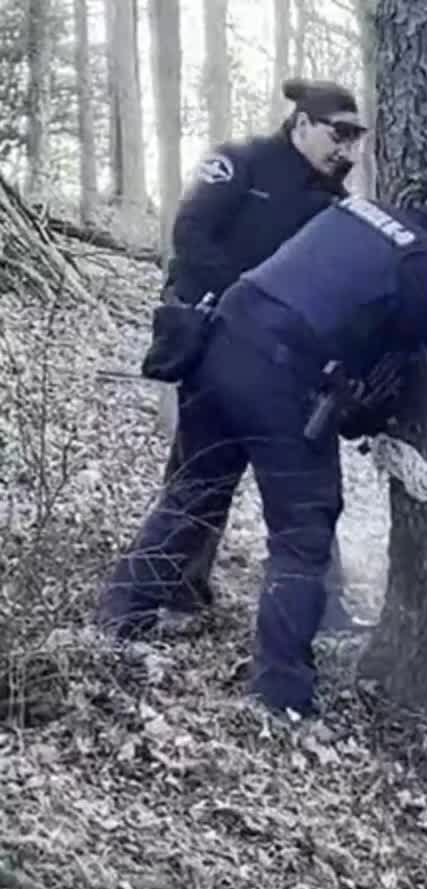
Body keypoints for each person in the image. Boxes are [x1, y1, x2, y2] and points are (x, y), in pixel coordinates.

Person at [97, 171, 427, 717]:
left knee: (190, 497)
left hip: (215, 346)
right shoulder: (422, 266)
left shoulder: (355, 213)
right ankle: (281, 697)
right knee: (301, 534)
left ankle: (112, 631)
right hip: (281, 379)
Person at [141, 77, 368, 621]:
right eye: (339, 134)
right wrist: (247, 299)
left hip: (288, 364)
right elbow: (190, 234)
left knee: (305, 488)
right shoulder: (239, 161)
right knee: (200, 477)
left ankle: (321, 612)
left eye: (355, 138)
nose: (347, 149)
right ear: (302, 124)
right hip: (216, 343)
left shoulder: (336, 205)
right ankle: (174, 593)